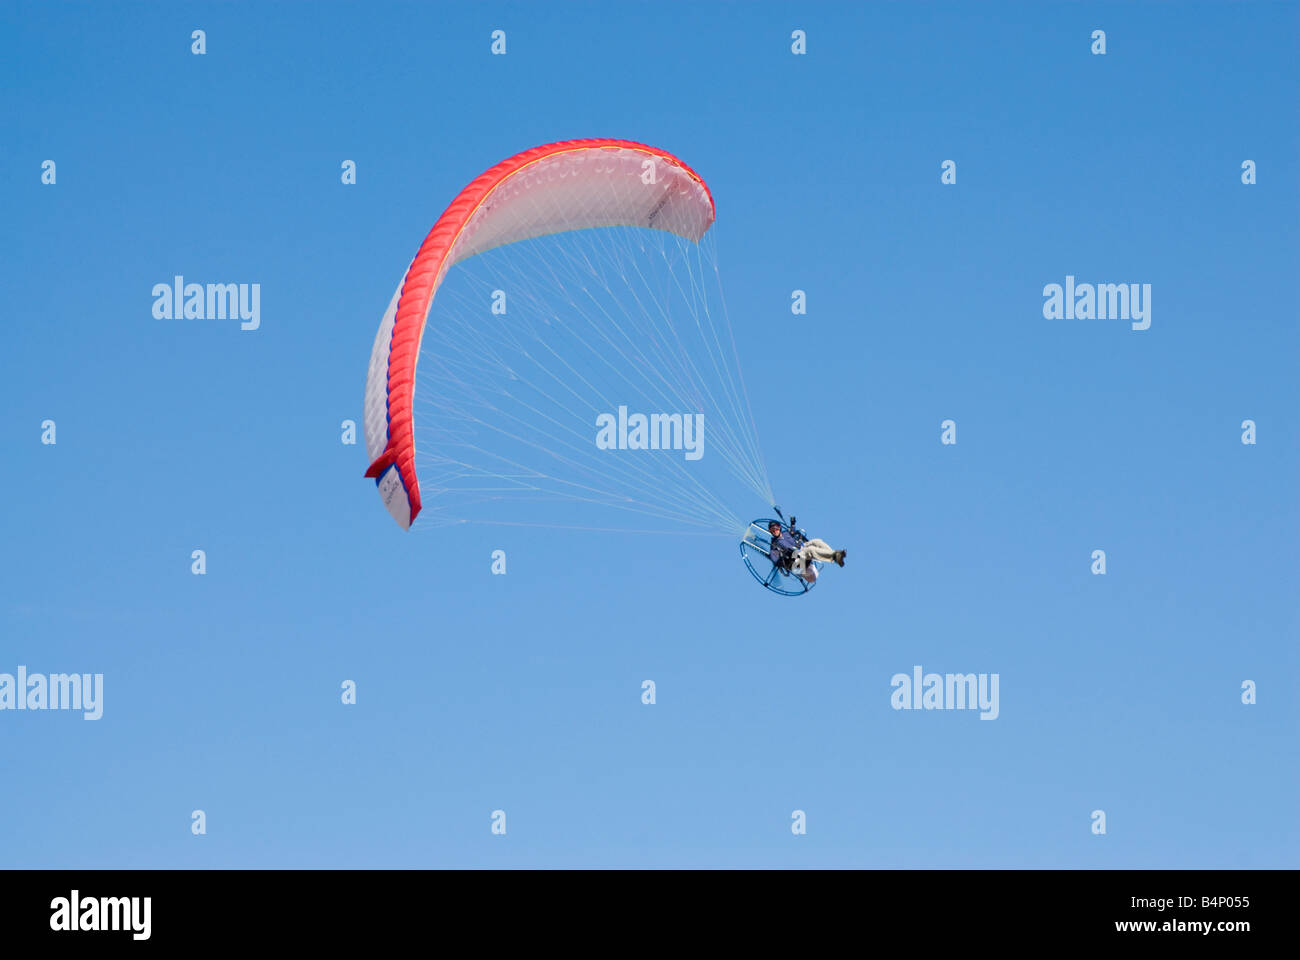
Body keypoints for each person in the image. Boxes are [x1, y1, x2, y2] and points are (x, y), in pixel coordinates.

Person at [767, 519, 845, 584]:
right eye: (772, 530)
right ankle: (833, 556)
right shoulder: (774, 545)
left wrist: (793, 524)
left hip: (802, 554)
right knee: (809, 550)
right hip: (795, 563)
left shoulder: (786, 533)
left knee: (816, 541)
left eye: (776, 529)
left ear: (779, 528)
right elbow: (776, 561)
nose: (775, 531)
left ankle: (835, 555)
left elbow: (793, 532)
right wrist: (784, 555)